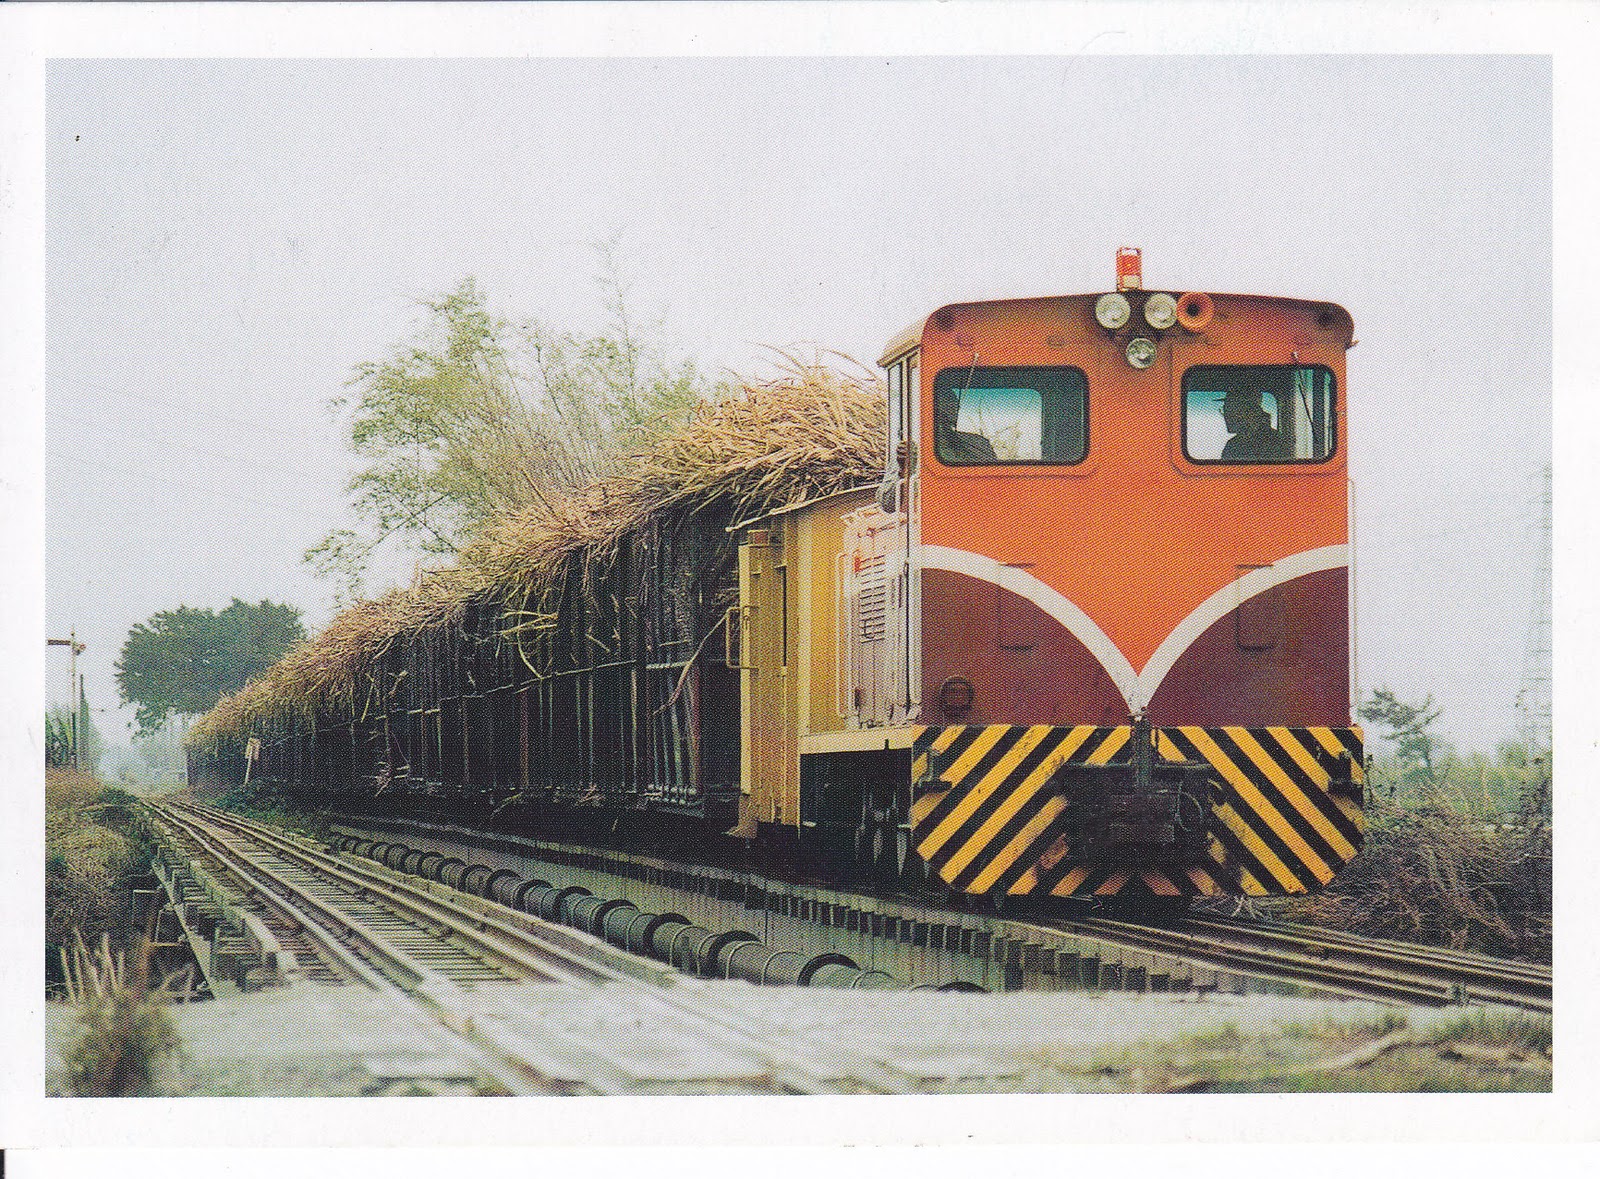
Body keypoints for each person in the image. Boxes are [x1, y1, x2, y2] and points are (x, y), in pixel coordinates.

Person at [1219, 389, 1290, 461]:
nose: (1226, 416)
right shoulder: (1233, 445)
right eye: (1225, 410)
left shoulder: (1275, 443)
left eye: (1230, 410)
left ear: (1251, 412)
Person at [933, 385, 998, 463]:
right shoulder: (978, 443)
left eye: (956, 405)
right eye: (951, 403)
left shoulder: (978, 442)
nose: (956, 409)